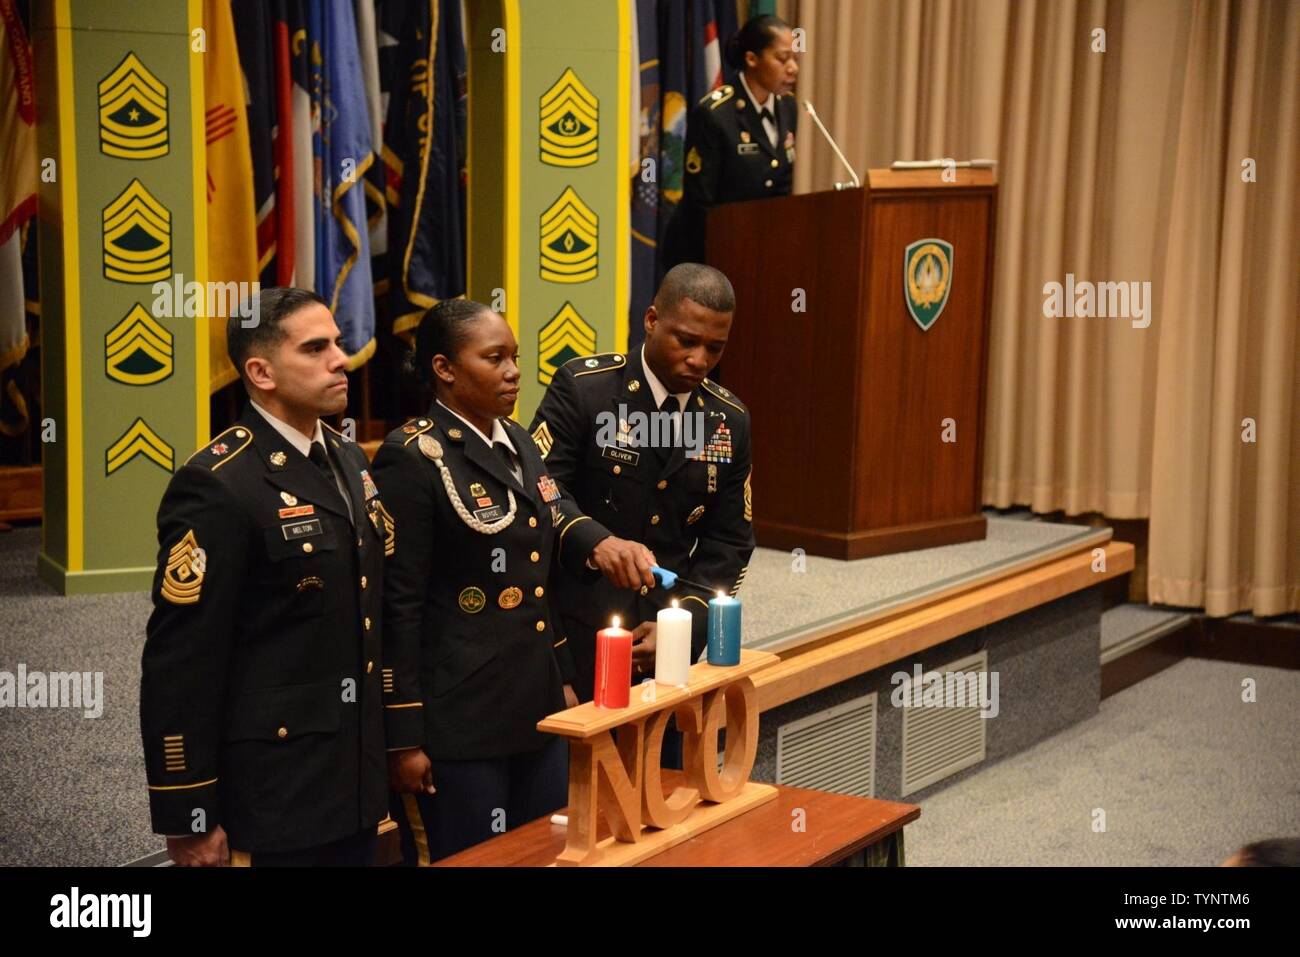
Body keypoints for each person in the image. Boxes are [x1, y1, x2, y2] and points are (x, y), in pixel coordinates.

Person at [373, 299, 655, 864]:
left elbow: (537, 577)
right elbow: (398, 605)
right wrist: (403, 735)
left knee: (543, 852)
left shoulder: (519, 441)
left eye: (515, 358)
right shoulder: (413, 456)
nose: (513, 372)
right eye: (494, 358)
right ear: (444, 369)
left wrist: (563, 677)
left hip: (533, 699)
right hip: (460, 716)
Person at [140, 287, 388, 866]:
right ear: (261, 372)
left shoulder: (349, 457)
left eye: (338, 343)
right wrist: (188, 810)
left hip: (354, 775)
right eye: (315, 348)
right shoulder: (219, 483)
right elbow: (182, 662)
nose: (341, 360)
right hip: (276, 787)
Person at [529, 263, 755, 702]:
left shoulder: (728, 420)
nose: (699, 360)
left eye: (715, 348)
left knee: (665, 747)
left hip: (667, 634)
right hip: (577, 625)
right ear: (652, 320)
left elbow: (729, 544)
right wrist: (595, 540)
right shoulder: (586, 389)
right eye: (686, 341)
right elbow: (539, 488)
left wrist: (686, 626)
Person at [660, 14, 801, 272]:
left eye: (795, 58)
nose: (793, 68)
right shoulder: (715, 114)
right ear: (751, 59)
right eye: (783, 59)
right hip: (705, 256)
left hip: (759, 253)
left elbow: (781, 187)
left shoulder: (788, 106)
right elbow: (700, 205)